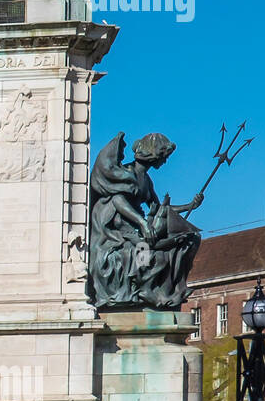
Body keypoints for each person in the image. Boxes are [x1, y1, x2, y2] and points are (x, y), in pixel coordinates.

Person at [87, 132, 203, 310]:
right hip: (115, 229)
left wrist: (189, 206)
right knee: (146, 251)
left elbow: (158, 208)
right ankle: (145, 290)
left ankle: (165, 290)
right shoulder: (126, 173)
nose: (164, 162)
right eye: (163, 157)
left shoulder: (146, 180)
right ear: (154, 154)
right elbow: (118, 201)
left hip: (135, 226)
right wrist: (142, 223)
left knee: (185, 241)